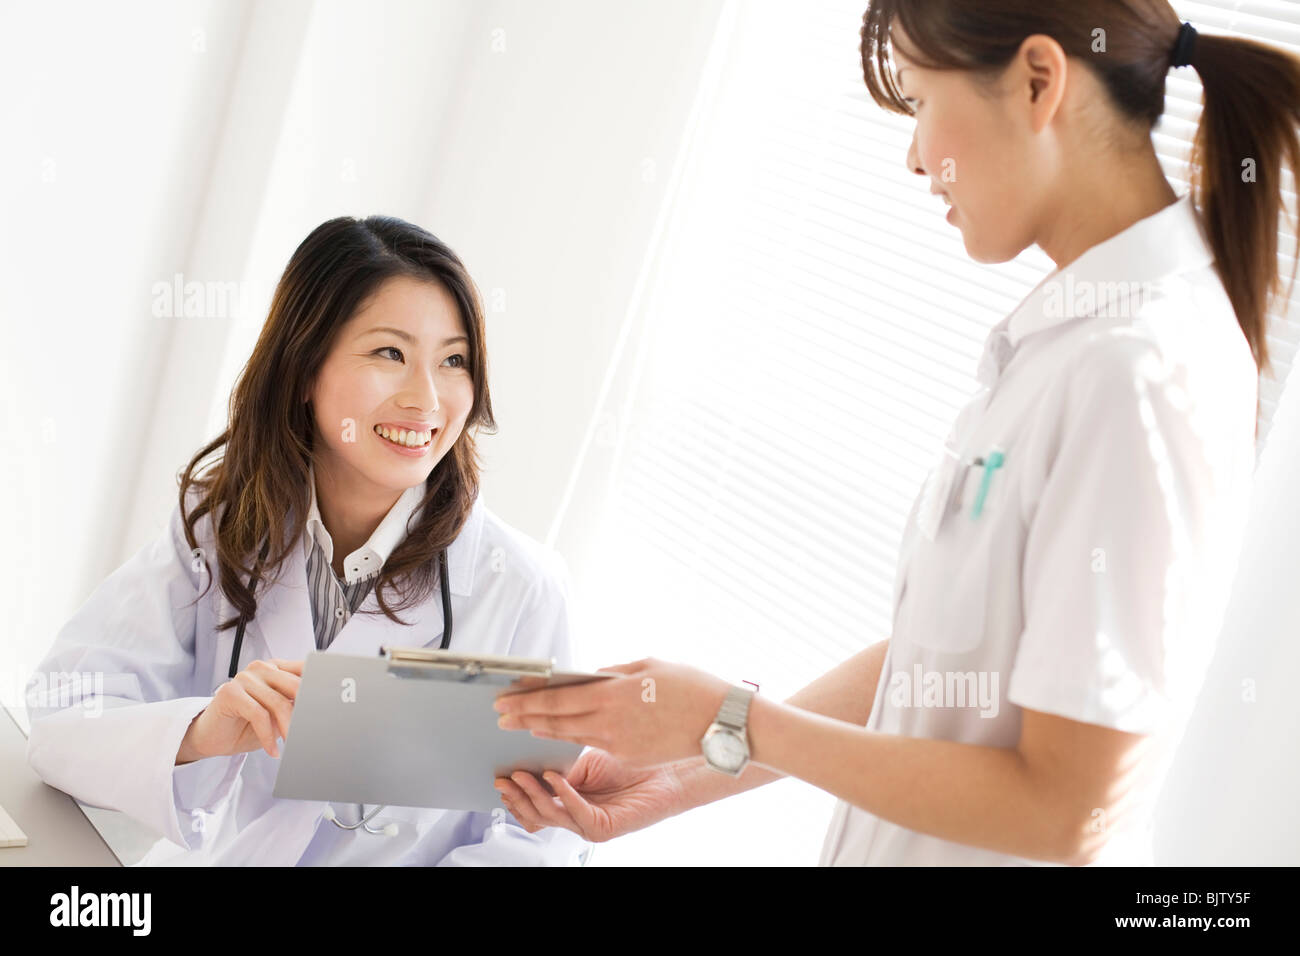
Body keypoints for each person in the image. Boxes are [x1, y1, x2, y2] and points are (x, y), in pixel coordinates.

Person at [493, 1, 1300, 865]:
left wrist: (729, 719)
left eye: (918, 100)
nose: (915, 157)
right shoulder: (1075, 337)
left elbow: (1069, 811)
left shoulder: (1135, 372)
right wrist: (690, 767)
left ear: (1038, 82)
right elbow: (948, 658)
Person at [25, 215, 589, 866]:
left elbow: (542, 839)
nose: (427, 399)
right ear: (302, 369)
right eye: (391, 354)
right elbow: (62, 718)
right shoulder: (224, 529)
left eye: (453, 361)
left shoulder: (521, 589)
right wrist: (201, 731)